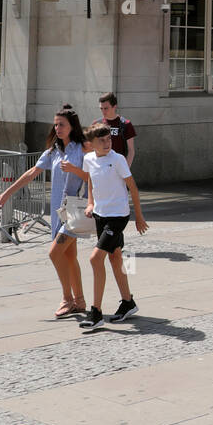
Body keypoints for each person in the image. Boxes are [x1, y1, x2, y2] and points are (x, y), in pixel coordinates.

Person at [0, 105, 88, 318]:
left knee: (54, 253)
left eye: (62, 124)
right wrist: (7, 193)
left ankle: (67, 299)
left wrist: (76, 171)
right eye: (55, 124)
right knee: (70, 256)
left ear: (72, 126)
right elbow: (31, 173)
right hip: (58, 212)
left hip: (76, 210)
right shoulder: (52, 152)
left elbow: (95, 175)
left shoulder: (83, 148)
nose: (57, 128)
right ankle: (79, 301)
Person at [63, 121, 148, 331]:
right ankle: (128, 302)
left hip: (117, 217)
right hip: (101, 215)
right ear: (91, 144)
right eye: (101, 140)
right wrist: (91, 202)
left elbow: (133, 189)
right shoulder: (89, 159)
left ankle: (96, 313)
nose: (107, 143)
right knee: (115, 257)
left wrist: (139, 217)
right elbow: (91, 181)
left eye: (109, 139)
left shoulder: (118, 160)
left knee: (95, 258)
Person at [98, 92, 136, 168]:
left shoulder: (126, 124)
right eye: (101, 108)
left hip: (118, 167)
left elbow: (131, 151)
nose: (103, 111)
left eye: (106, 108)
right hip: (101, 167)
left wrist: (126, 170)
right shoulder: (97, 124)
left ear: (114, 107)